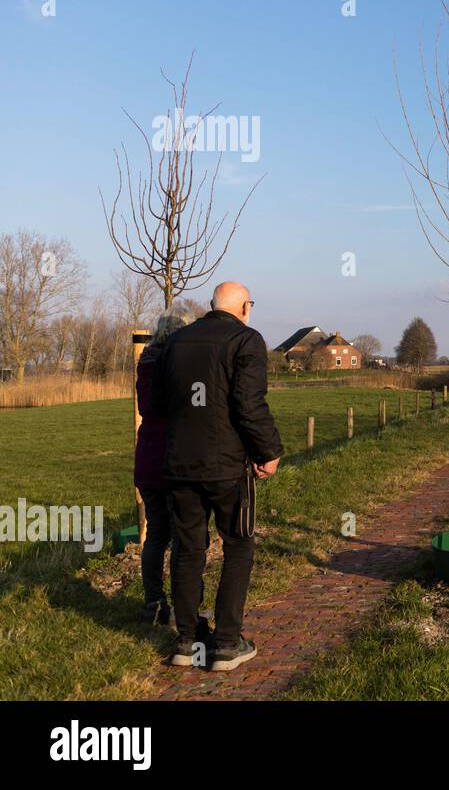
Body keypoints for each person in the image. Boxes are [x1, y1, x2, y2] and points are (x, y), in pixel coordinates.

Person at [153, 282, 282, 671]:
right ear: (244, 306)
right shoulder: (246, 340)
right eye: (250, 305)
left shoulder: (174, 343)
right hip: (226, 466)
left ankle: (187, 641)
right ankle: (226, 642)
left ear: (212, 306)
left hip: (179, 465)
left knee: (188, 549)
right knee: (238, 545)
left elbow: (159, 404)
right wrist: (269, 451)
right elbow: (248, 402)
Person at [134, 310, 189, 625]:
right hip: (174, 461)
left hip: (147, 458)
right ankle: (184, 605)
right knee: (184, 536)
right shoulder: (176, 365)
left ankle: (153, 602)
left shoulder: (145, 363)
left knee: (155, 535)